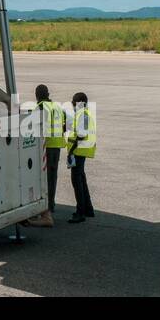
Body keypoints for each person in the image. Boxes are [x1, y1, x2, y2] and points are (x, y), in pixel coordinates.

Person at [27, 85, 66, 228]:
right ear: (48, 94)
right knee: (53, 176)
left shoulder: (40, 107)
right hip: (57, 144)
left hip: (46, 146)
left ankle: (46, 208)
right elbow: (64, 125)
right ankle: (51, 204)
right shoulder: (56, 106)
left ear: (36, 95)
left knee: (43, 178)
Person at [67, 91, 97, 223]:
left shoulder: (82, 114)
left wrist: (71, 151)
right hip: (82, 151)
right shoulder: (84, 113)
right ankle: (88, 208)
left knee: (76, 181)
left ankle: (80, 212)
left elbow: (81, 134)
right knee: (82, 179)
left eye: (73, 101)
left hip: (79, 151)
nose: (72, 103)